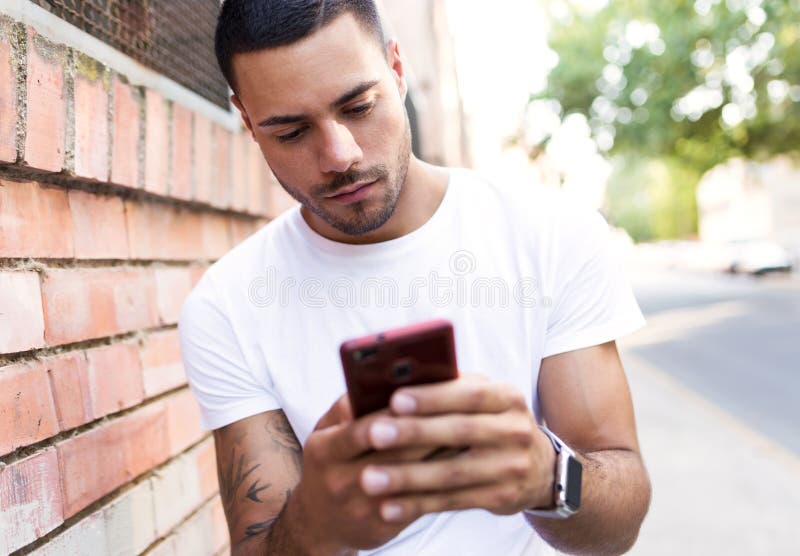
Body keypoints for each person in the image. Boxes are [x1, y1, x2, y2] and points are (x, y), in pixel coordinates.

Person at [179, 1, 652, 554]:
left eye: (358, 106)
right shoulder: (227, 306)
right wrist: (315, 519)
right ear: (247, 122)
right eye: (291, 132)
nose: (339, 156)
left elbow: (617, 527)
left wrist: (545, 475)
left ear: (397, 69)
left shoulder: (549, 235)